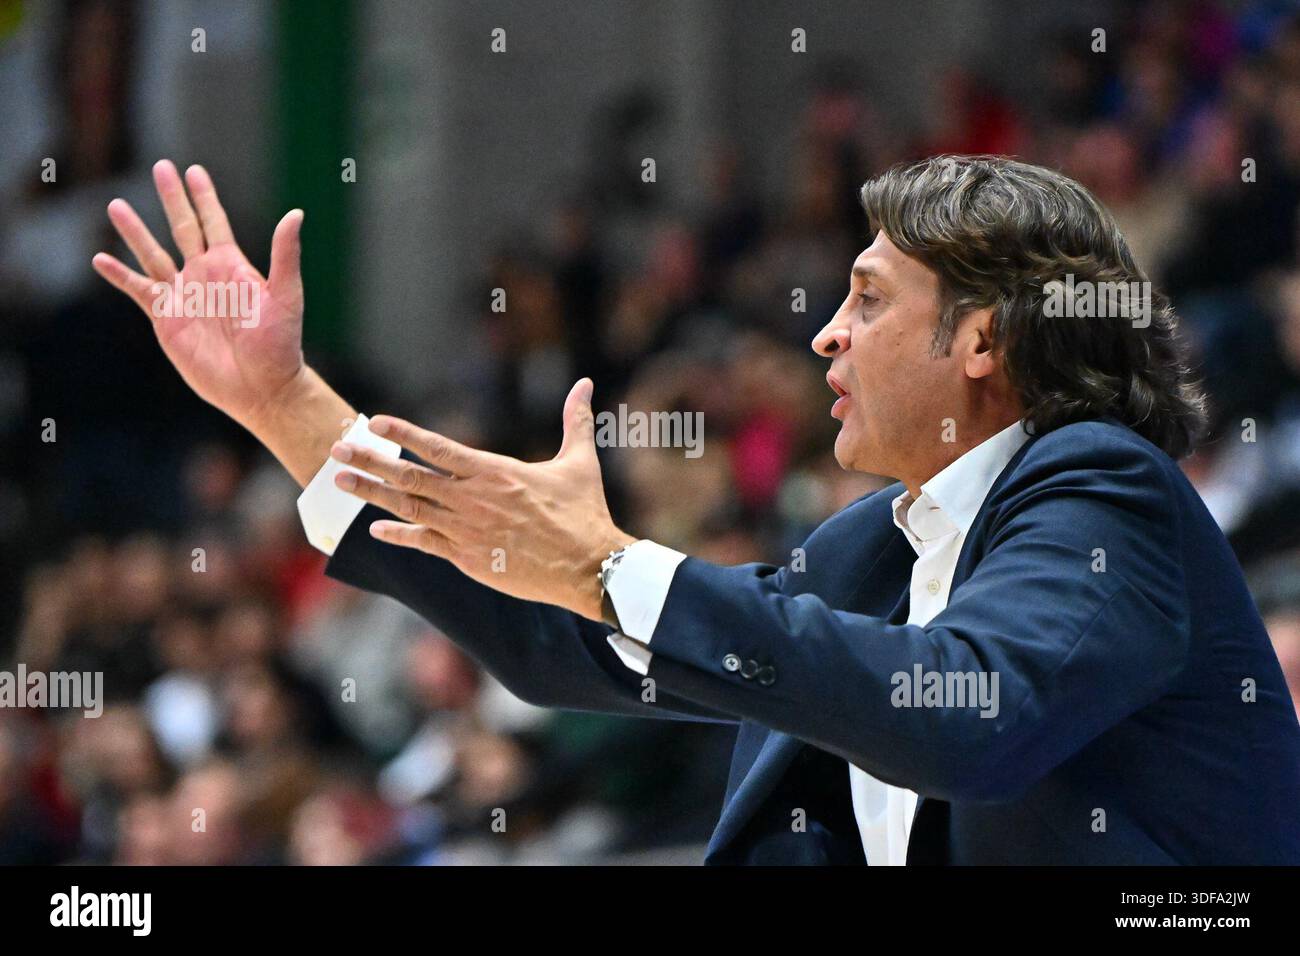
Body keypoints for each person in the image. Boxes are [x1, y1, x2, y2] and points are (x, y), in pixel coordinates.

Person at [93, 155, 1300, 864]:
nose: (824, 331)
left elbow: (966, 709)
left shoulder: (1104, 488)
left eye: (868, 300)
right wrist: (286, 403)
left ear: (983, 336)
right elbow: (568, 635)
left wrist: (610, 562)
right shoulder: (865, 550)